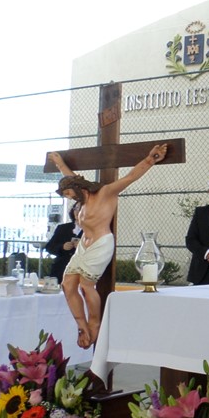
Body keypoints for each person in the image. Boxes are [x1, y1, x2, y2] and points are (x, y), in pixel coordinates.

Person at [50, 143, 168, 349]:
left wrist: (150, 159)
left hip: (101, 243)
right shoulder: (82, 201)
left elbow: (130, 177)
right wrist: (60, 162)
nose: (69, 198)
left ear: (77, 188)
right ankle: (82, 325)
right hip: (83, 247)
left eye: (69, 193)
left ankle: (94, 323)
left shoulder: (105, 193)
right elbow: (69, 175)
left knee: (86, 285)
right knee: (67, 285)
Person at [44, 204, 82, 283]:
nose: (77, 212)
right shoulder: (63, 228)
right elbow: (49, 247)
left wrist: (82, 246)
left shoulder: (92, 230)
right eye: (76, 208)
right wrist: (62, 247)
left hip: (81, 272)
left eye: (81, 208)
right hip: (60, 270)